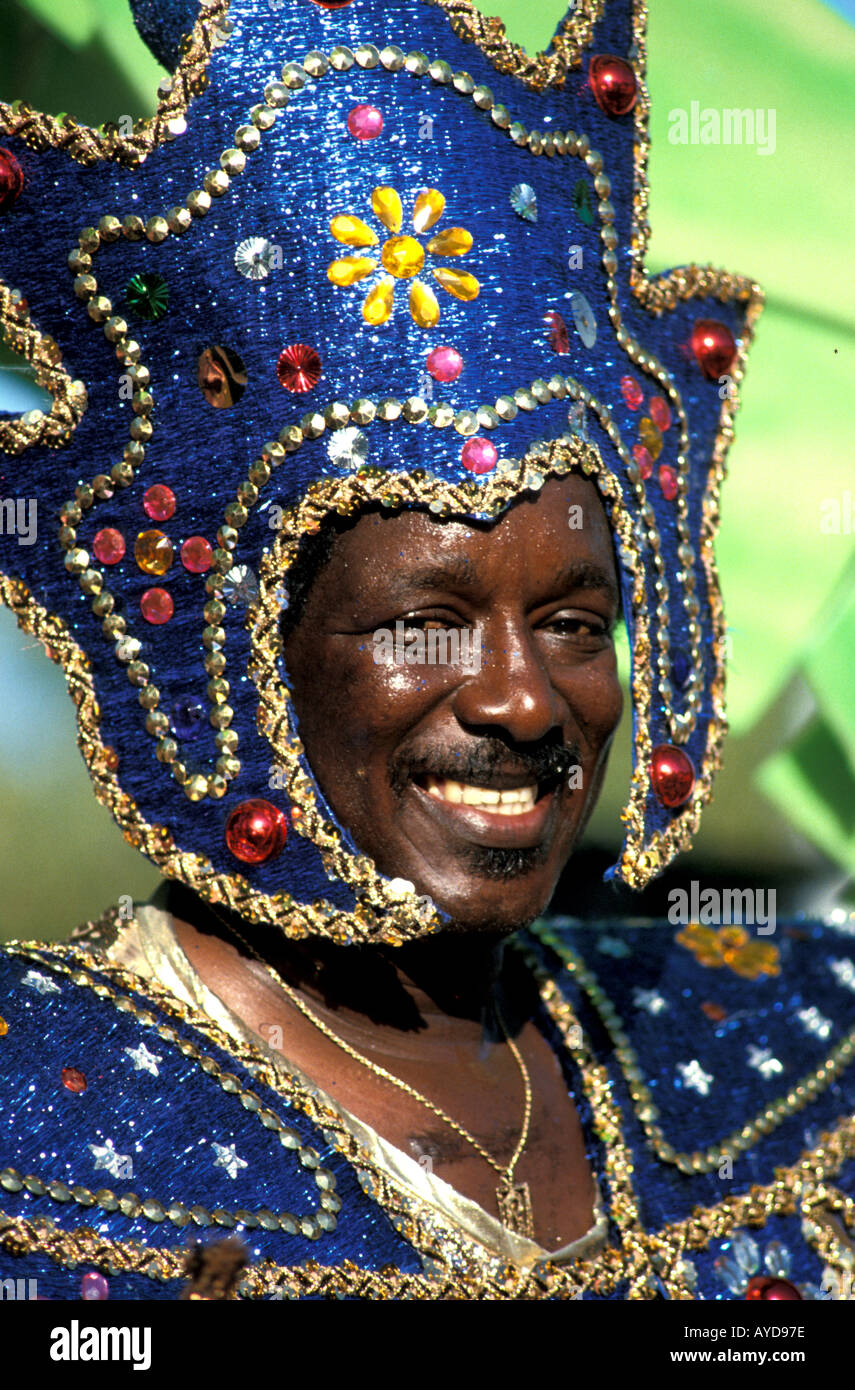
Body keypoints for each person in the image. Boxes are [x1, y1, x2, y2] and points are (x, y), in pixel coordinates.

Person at [1, 0, 853, 1302]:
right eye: (423, 623)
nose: (524, 698)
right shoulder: (40, 1099)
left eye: (574, 621)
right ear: (251, 649)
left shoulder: (777, 1041)